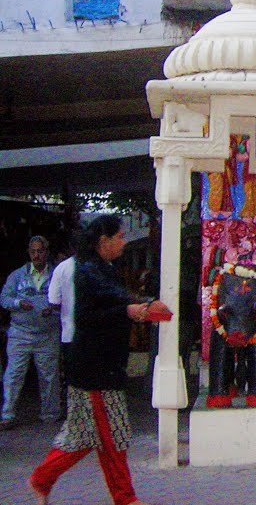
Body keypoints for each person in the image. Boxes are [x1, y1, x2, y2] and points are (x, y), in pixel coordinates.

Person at [28, 214, 168, 505]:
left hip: (98, 364)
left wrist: (140, 305)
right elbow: (89, 316)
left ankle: (44, 479)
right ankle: (123, 497)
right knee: (106, 435)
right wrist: (132, 310)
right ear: (103, 241)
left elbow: (115, 297)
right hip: (93, 367)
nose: (123, 241)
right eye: (119, 236)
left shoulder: (102, 267)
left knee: (94, 436)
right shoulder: (85, 270)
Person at [1, 236, 61, 429]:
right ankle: (7, 414)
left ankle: (50, 413)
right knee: (14, 374)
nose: (37, 255)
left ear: (47, 252)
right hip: (20, 333)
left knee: (49, 376)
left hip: (47, 333)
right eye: (33, 251)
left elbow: (67, 301)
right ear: (29, 253)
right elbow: (4, 298)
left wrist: (53, 309)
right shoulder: (17, 276)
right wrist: (19, 303)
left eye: (40, 251)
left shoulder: (56, 275)